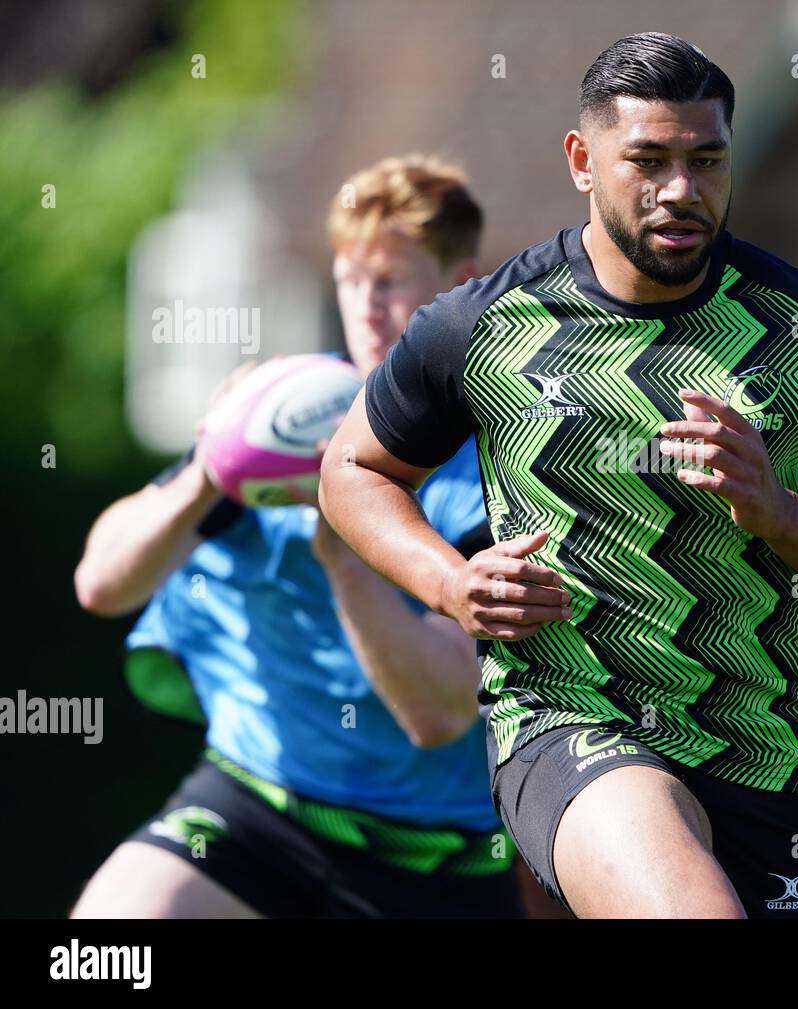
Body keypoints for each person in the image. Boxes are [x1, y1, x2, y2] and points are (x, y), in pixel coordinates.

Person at [319, 34, 798, 919]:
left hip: (769, 755)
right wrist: (449, 582)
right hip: (566, 723)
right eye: (648, 161)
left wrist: (778, 511)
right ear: (582, 160)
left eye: (706, 160)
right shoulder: (482, 326)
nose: (681, 190)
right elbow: (352, 469)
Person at [71, 154, 522, 918]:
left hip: (439, 866)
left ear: (457, 283)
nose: (368, 306)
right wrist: (207, 468)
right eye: (351, 279)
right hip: (254, 814)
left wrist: (347, 552)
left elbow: (440, 712)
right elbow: (102, 583)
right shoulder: (284, 416)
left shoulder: (502, 471)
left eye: (392, 279)